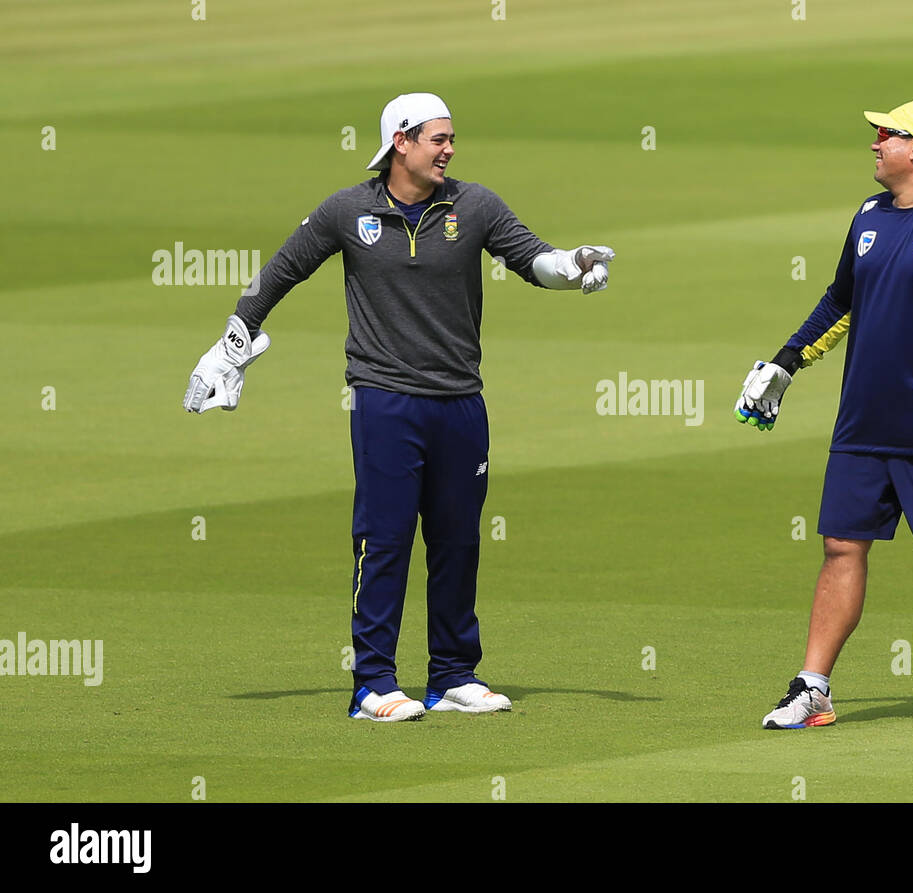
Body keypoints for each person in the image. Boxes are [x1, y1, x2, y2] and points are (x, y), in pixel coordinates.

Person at [183, 92, 616, 722]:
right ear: (401, 143)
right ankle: (372, 685)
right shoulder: (348, 211)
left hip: (462, 403)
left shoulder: (475, 205)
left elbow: (535, 260)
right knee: (383, 540)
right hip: (385, 400)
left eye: (451, 138)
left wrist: (574, 266)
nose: (449, 149)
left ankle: (453, 677)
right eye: (438, 138)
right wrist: (232, 344)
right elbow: (277, 272)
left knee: (457, 541)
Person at [734, 100, 913, 731]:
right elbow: (842, 300)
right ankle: (812, 687)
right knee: (841, 545)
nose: (874, 145)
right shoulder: (868, 216)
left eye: (885, 135)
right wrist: (786, 362)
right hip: (862, 423)